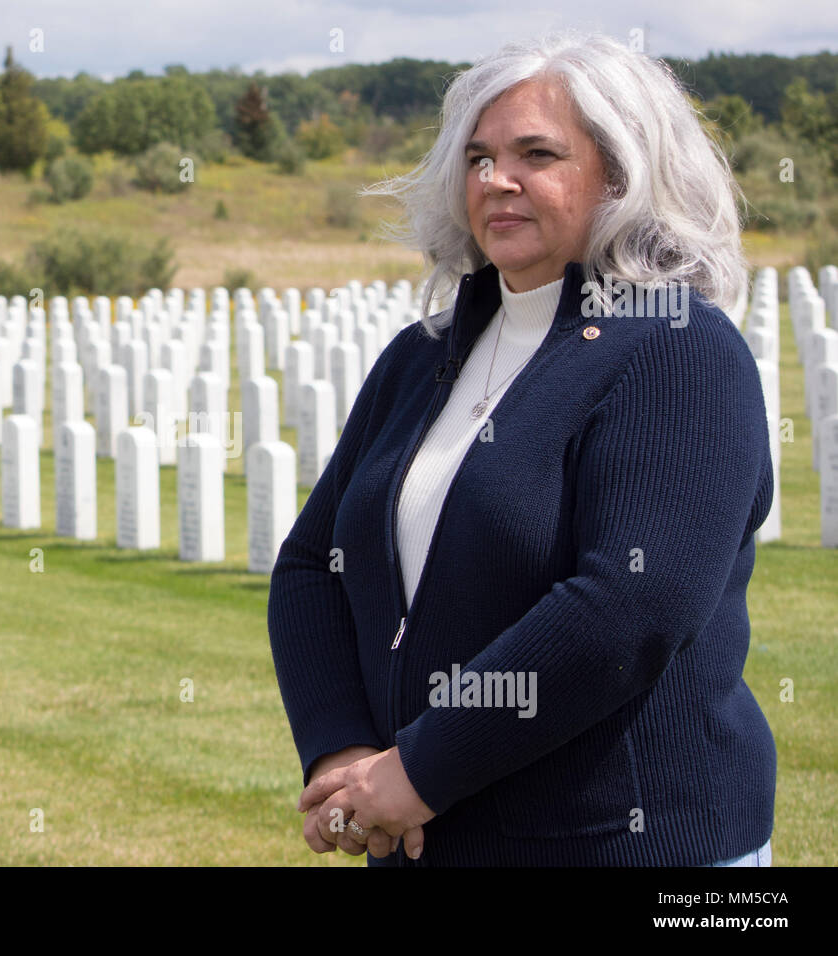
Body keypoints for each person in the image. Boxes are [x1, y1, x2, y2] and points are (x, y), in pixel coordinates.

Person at [267, 30, 776, 867]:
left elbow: (628, 609)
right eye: (477, 158)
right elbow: (312, 564)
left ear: (621, 173)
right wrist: (345, 757)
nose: (495, 180)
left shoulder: (676, 349)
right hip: (430, 841)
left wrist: (419, 772)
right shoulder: (423, 356)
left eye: (536, 154)